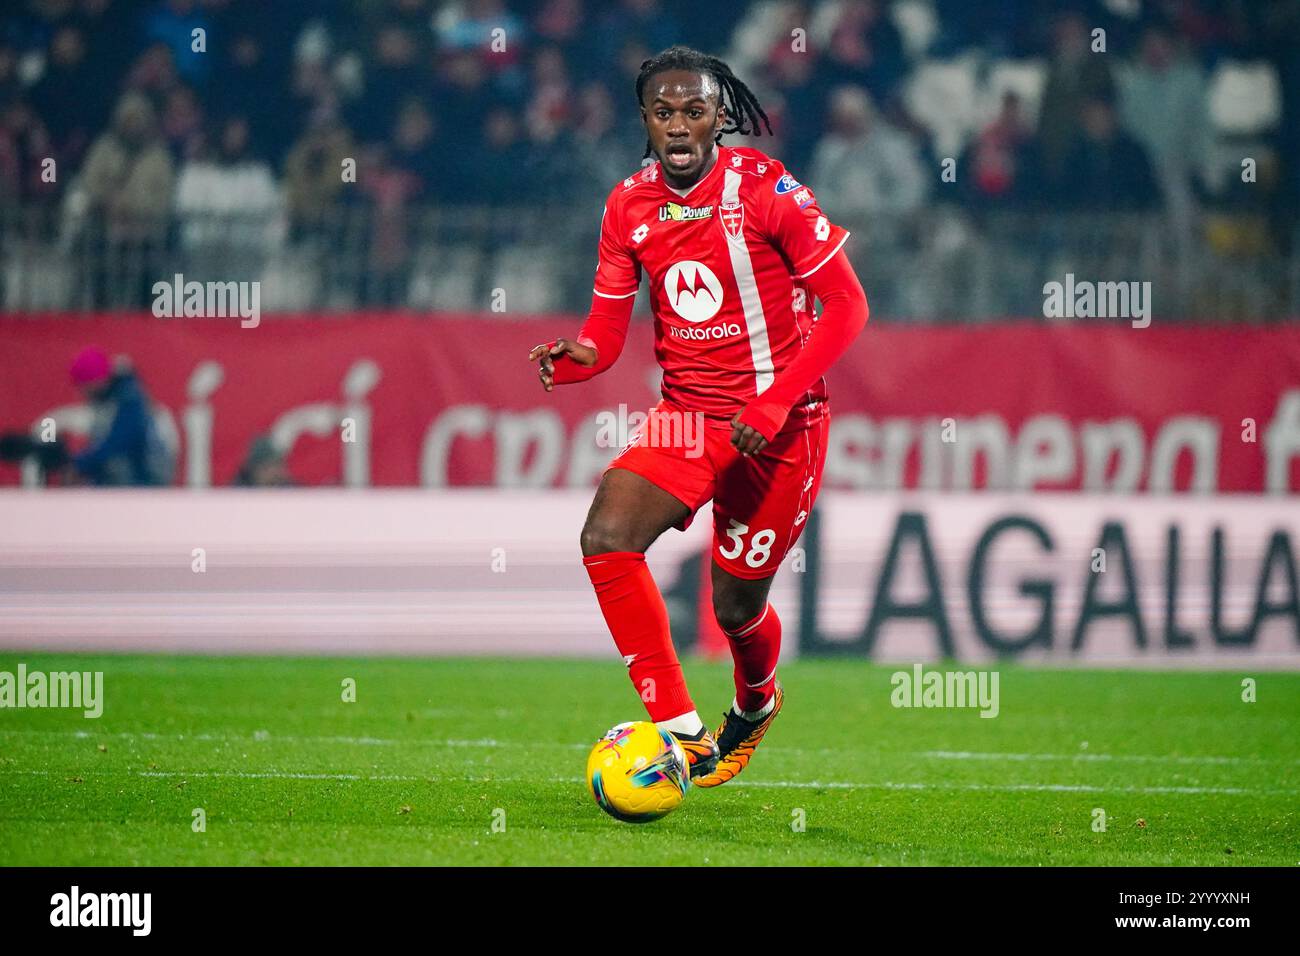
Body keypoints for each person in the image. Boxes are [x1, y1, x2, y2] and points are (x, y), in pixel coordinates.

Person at [528, 46, 869, 787]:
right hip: (689, 419)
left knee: (736, 606)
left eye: (694, 110)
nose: (678, 124)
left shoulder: (769, 189)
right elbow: (608, 335)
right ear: (644, 119)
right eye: (663, 111)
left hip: (783, 425)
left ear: (720, 117)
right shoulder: (628, 204)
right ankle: (684, 734)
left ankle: (755, 703)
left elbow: (849, 304)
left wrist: (777, 399)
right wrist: (579, 354)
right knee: (607, 537)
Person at [67, 346, 175, 486]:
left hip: (144, 479)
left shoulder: (129, 398)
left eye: (84, 386)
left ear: (96, 381)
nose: (83, 393)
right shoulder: (112, 398)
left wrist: (80, 464)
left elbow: (120, 441)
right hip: (131, 477)